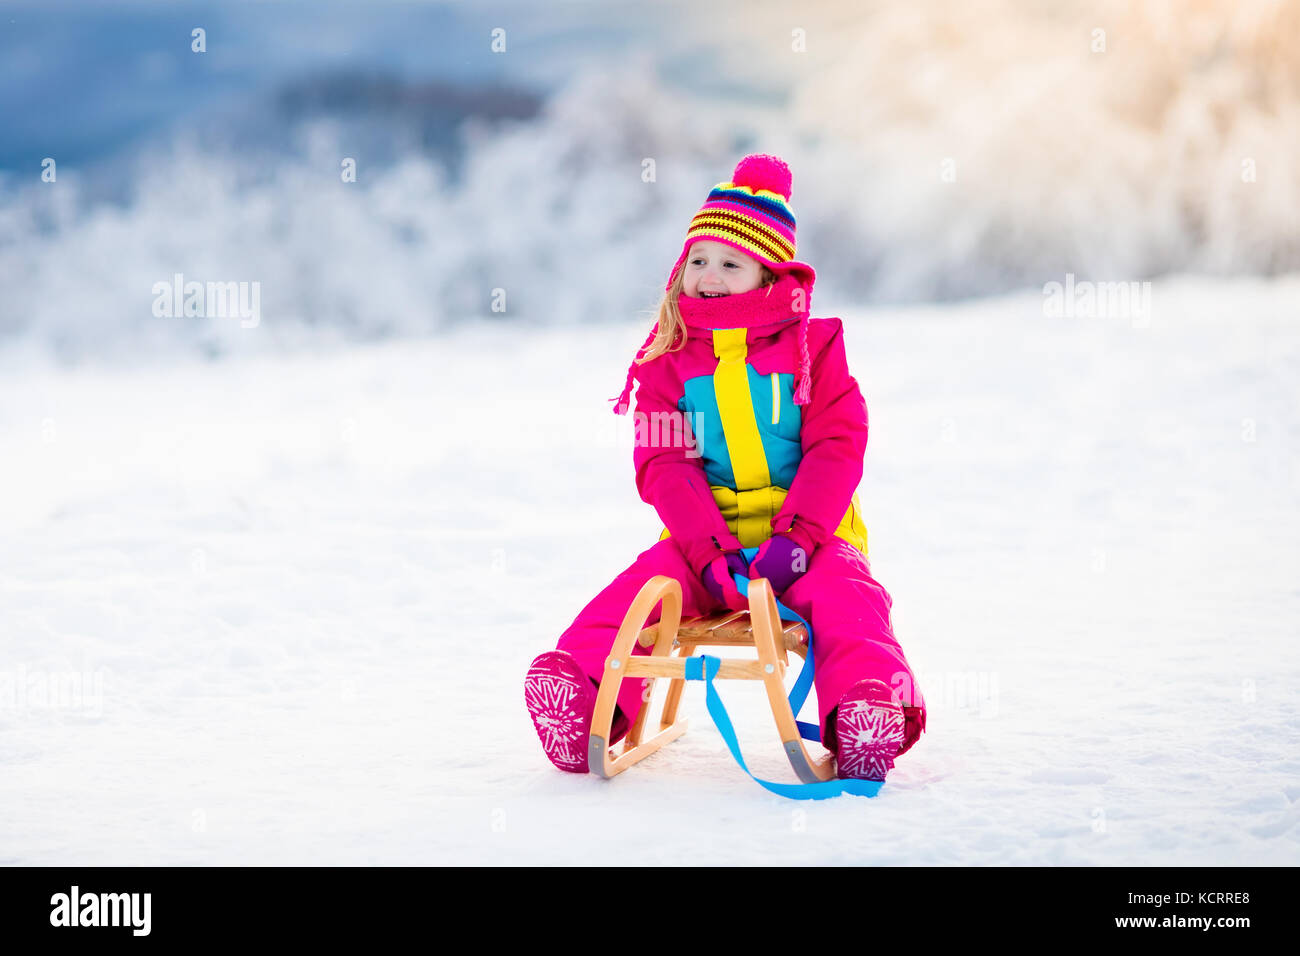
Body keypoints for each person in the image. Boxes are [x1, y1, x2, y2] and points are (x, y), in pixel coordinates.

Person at [524, 154, 926, 782]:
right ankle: (581, 692)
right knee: (642, 591)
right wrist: (708, 552)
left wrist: (797, 540)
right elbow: (663, 464)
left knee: (849, 600)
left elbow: (837, 446)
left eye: (729, 263)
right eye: (698, 261)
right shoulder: (666, 362)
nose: (708, 275)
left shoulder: (813, 350)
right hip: (703, 542)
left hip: (811, 540)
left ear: (769, 274)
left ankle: (864, 710)